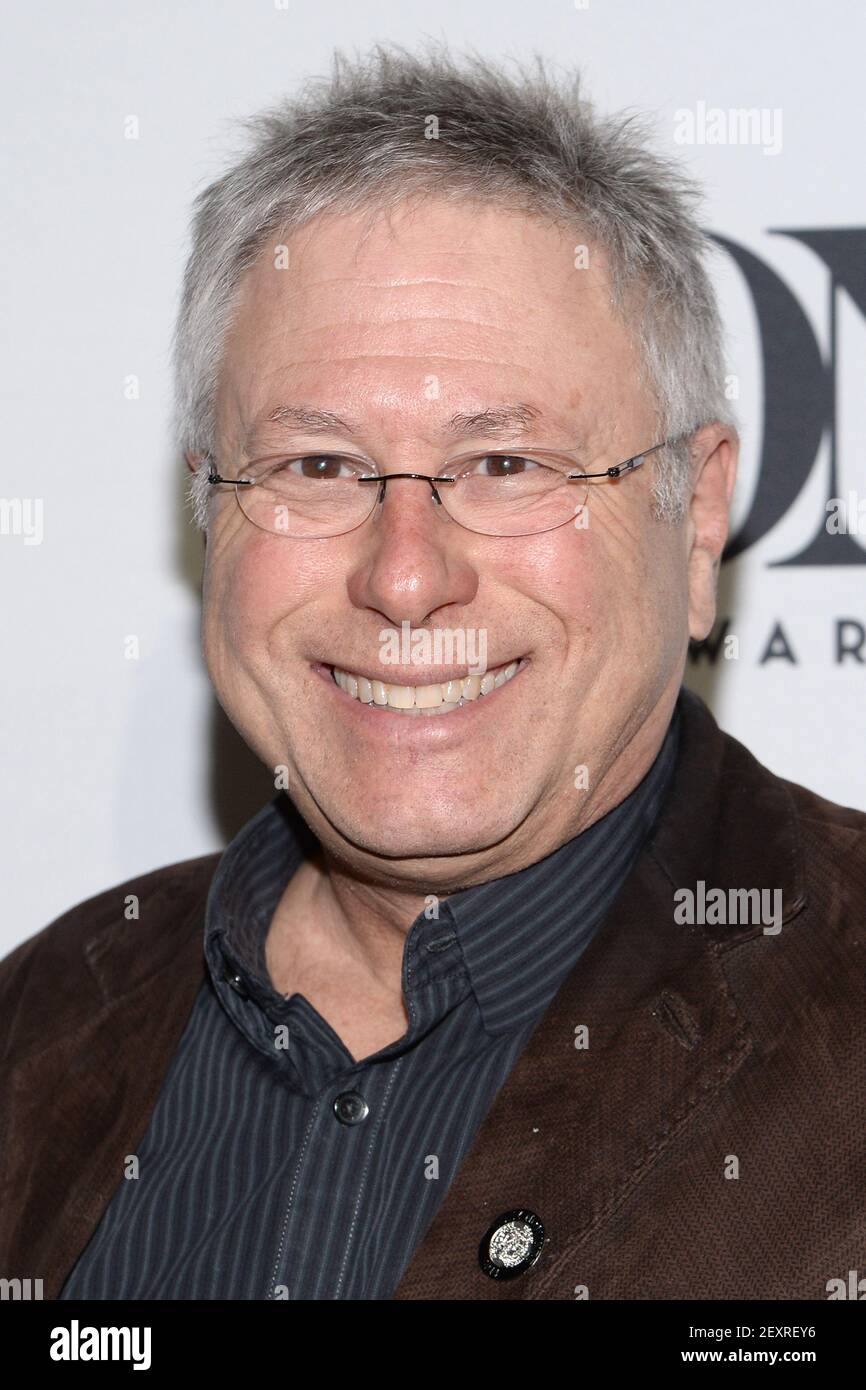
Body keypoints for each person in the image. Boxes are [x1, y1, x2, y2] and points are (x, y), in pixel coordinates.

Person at [2, 43, 864, 1302]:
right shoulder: (36, 1030)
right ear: (209, 511)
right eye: (316, 467)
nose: (404, 578)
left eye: (507, 465)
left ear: (691, 520)